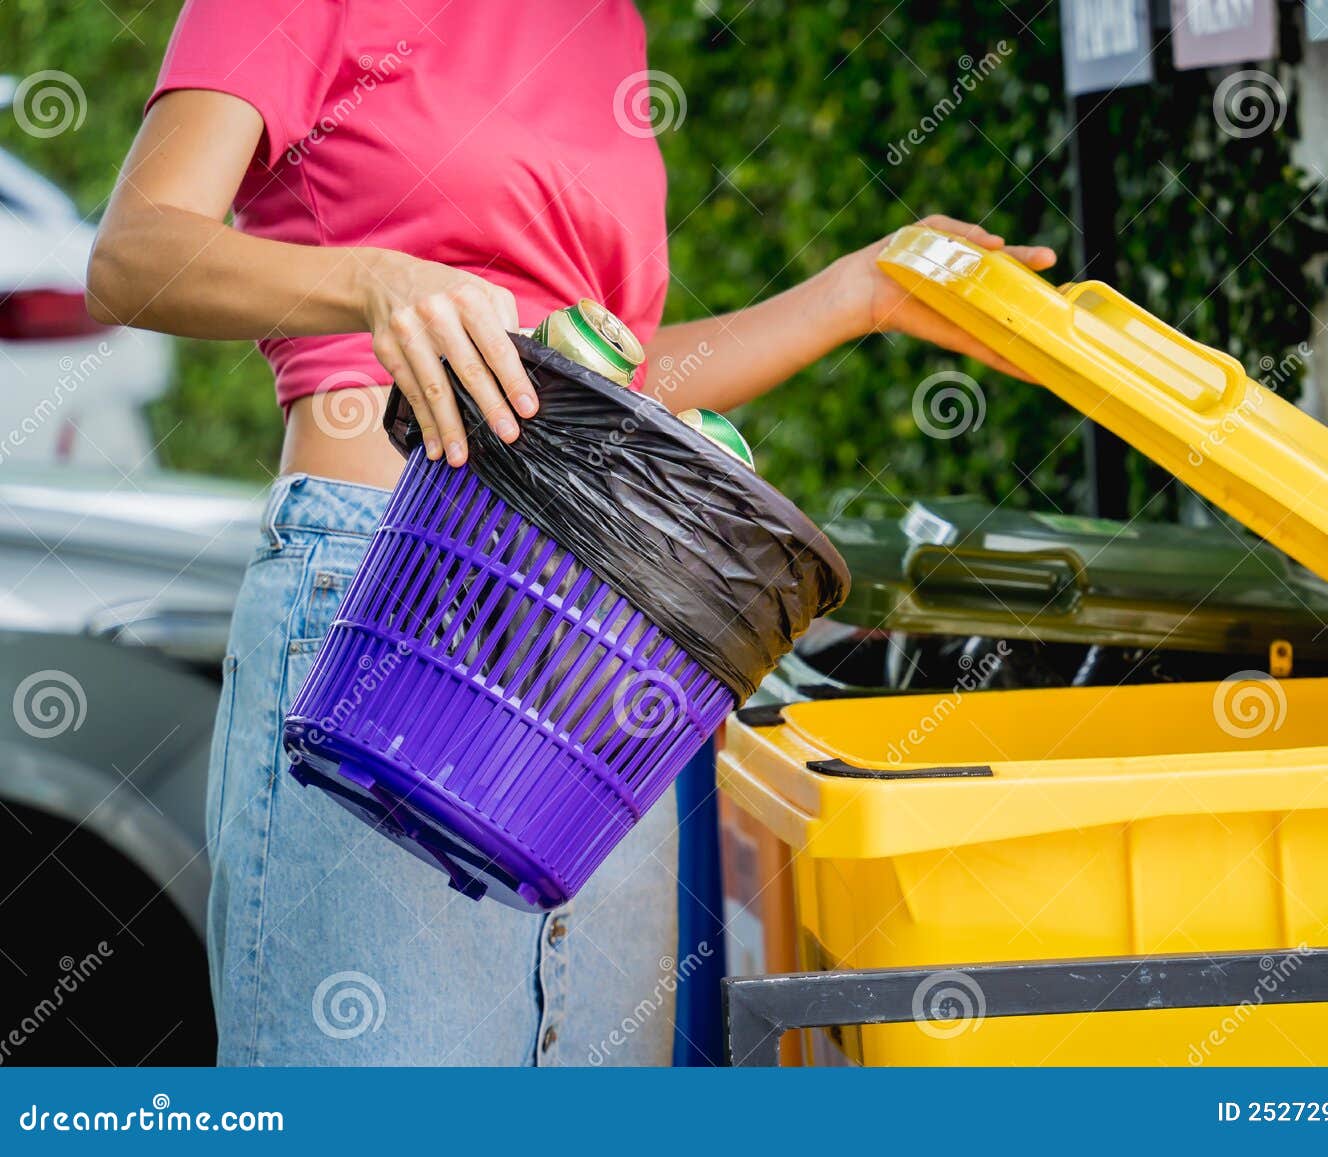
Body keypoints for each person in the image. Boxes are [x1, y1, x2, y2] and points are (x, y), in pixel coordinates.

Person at [90, 0, 1056, 1066]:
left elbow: (608, 383)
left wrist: (855, 293)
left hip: (600, 638)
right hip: (387, 600)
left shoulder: (606, 29)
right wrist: (374, 281)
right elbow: (135, 252)